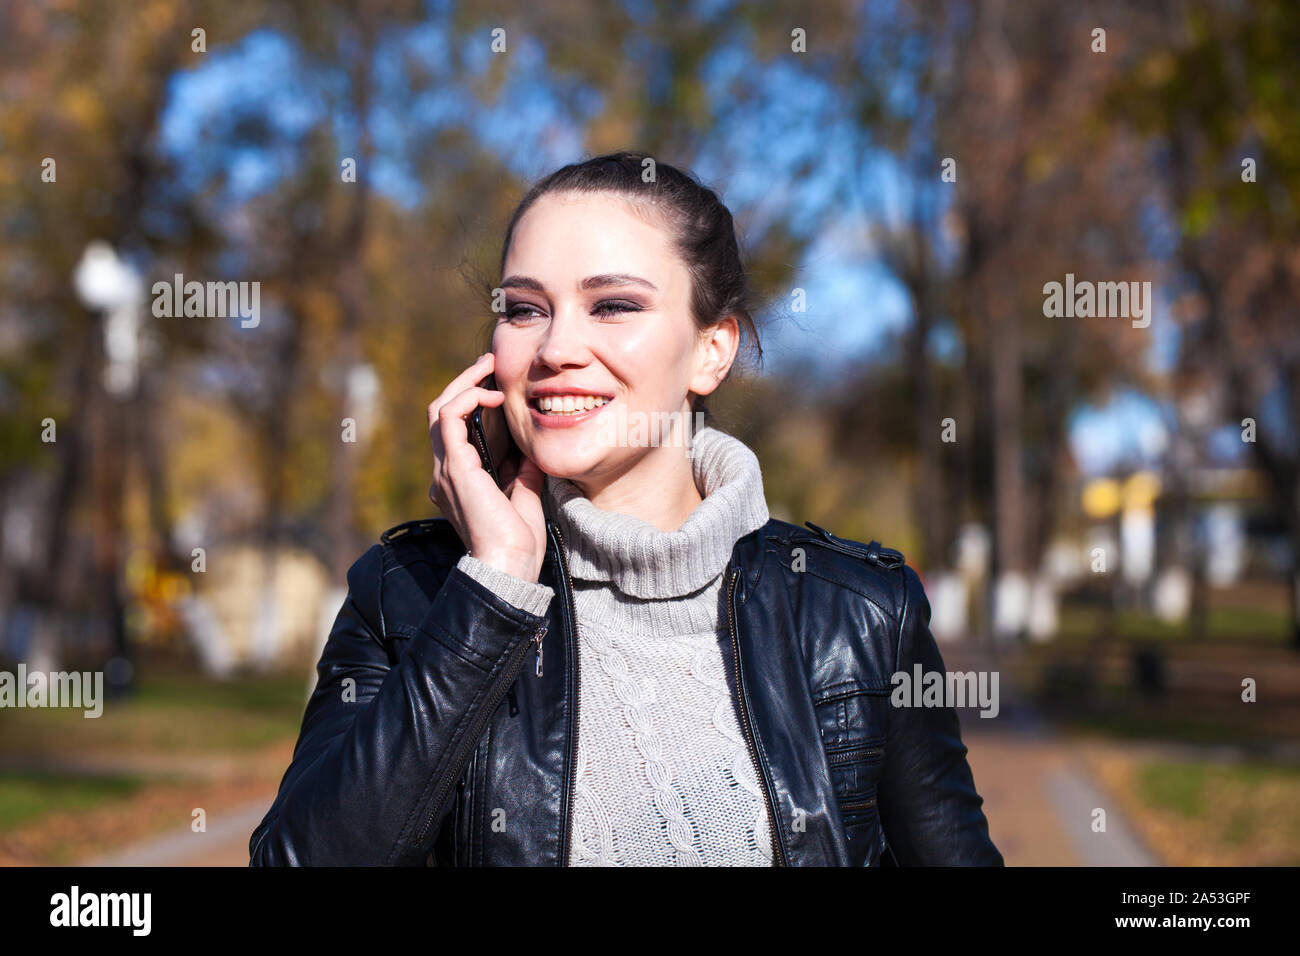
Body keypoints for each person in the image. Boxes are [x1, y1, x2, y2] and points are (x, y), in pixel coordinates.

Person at [249, 151, 1002, 866]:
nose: (556, 348)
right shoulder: (409, 597)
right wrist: (492, 590)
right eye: (523, 309)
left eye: (612, 305)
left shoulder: (859, 614)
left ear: (712, 350)